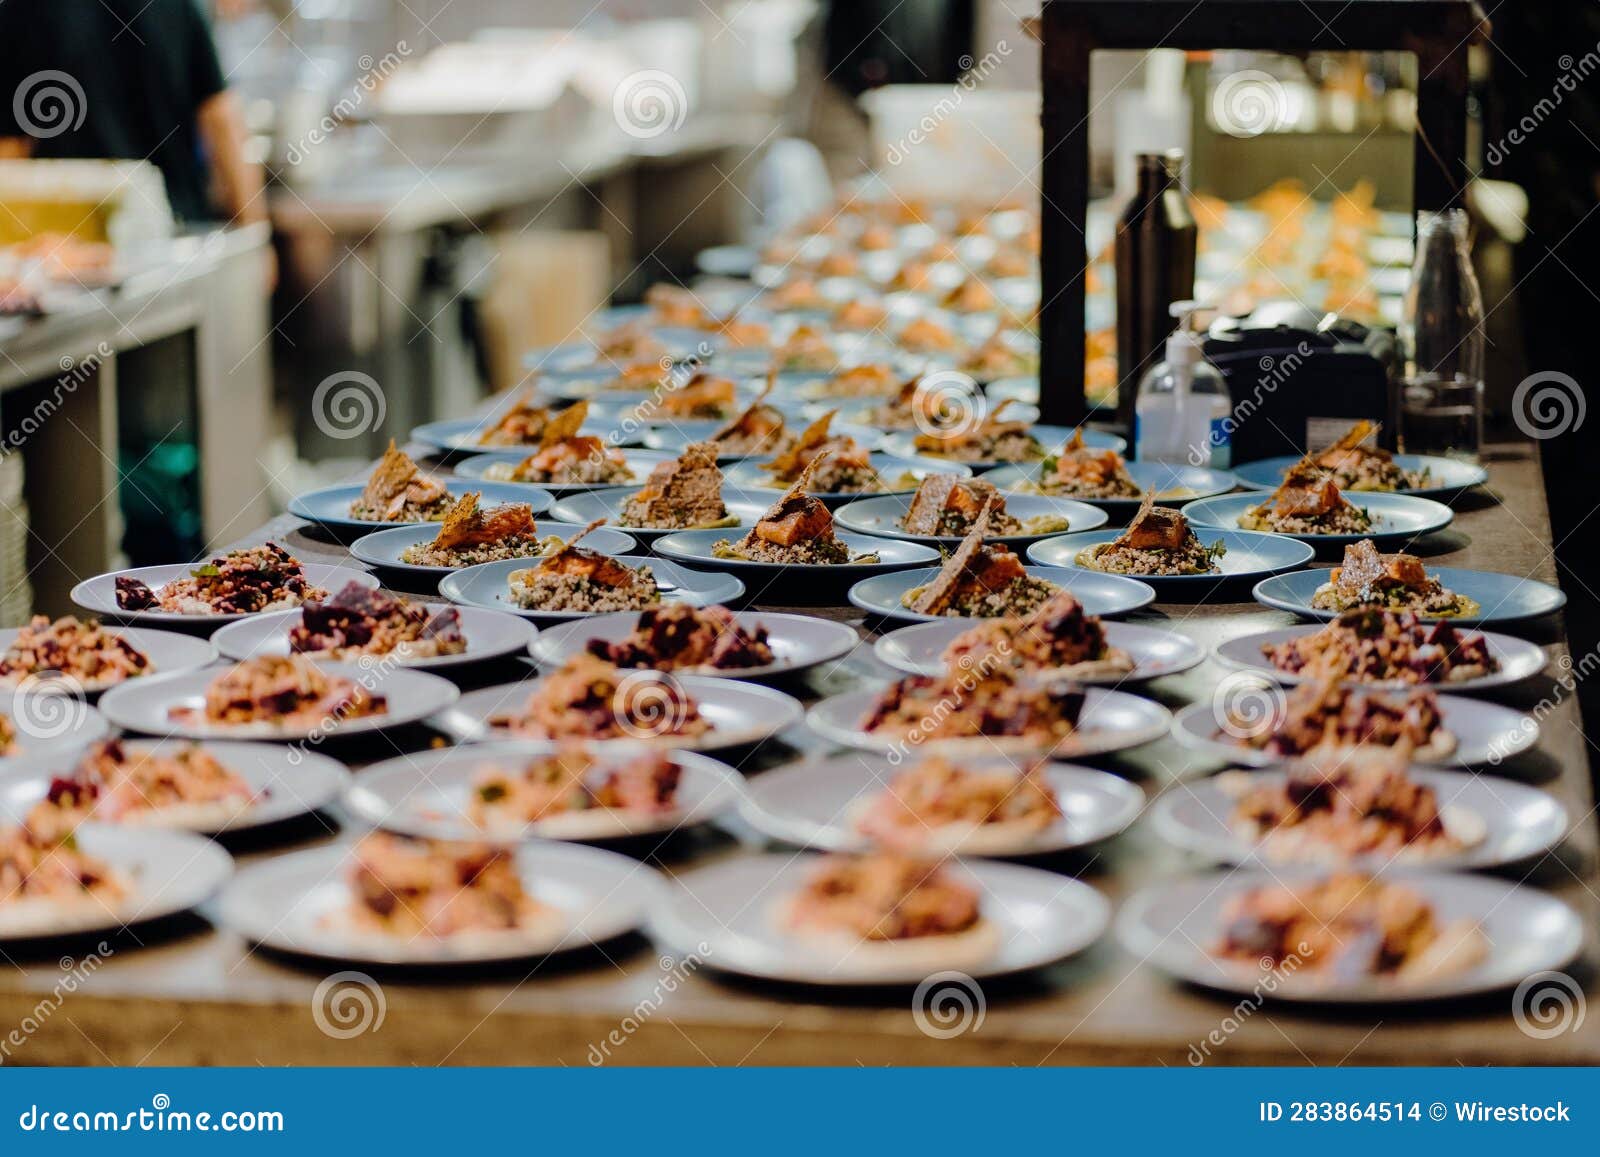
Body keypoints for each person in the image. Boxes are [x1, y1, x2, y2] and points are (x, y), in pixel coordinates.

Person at [0, 0, 266, 229]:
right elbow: (221, 119)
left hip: (72, 245)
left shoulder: (25, 8)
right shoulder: (180, 4)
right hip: (177, 229)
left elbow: (10, 150)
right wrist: (254, 230)